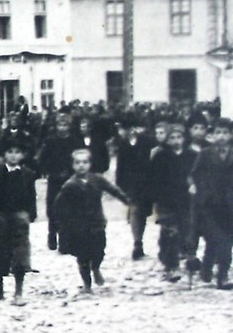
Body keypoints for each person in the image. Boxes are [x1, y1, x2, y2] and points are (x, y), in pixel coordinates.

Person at [53, 148, 130, 295]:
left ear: (90, 164)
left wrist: (127, 201)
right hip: (80, 227)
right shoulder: (70, 185)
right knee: (82, 256)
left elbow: (113, 190)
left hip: (97, 222)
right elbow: (59, 207)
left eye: (85, 162)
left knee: (99, 250)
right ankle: (87, 284)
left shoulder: (97, 179)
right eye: (77, 163)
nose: (81, 165)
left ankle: (96, 268)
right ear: (73, 165)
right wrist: (66, 224)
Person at [189, 118, 233, 290]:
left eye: (225, 133)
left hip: (229, 203)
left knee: (227, 239)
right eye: (218, 133)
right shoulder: (205, 153)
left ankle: (209, 269)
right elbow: (195, 174)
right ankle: (222, 277)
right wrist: (198, 189)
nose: (221, 136)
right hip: (209, 203)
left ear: (230, 135)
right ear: (212, 135)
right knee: (217, 238)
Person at [0, 140, 36, 305]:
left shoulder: (27, 174)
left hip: (19, 217)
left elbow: (31, 196)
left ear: (23, 155)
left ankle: (18, 290)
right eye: (9, 151)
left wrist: (29, 214)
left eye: (17, 152)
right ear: (4, 154)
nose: (13, 155)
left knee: (20, 252)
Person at [149, 124, 196, 282]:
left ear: (184, 138)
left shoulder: (191, 155)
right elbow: (153, 179)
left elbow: (197, 174)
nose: (176, 141)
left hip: (185, 200)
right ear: (167, 140)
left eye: (179, 137)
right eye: (172, 138)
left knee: (185, 230)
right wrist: (157, 197)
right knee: (169, 232)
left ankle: (186, 256)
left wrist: (194, 185)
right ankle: (171, 265)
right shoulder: (160, 156)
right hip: (166, 200)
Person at [37, 116, 82, 252]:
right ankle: (52, 234)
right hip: (55, 178)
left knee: (69, 209)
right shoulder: (50, 141)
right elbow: (43, 159)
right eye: (60, 125)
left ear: (69, 127)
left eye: (65, 125)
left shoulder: (75, 141)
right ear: (56, 126)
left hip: (70, 179)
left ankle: (66, 240)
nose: (62, 128)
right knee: (53, 207)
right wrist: (48, 171)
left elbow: (81, 158)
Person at [113, 117, 155, 260]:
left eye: (121, 129)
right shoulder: (123, 145)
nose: (119, 132)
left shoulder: (147, 142)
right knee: (136, 211)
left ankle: (139, 240)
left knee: (142, 214)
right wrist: (121, 186)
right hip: (131, 185)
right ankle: (137, 243)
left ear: (130, 130)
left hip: (147, 184)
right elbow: (120, 168)